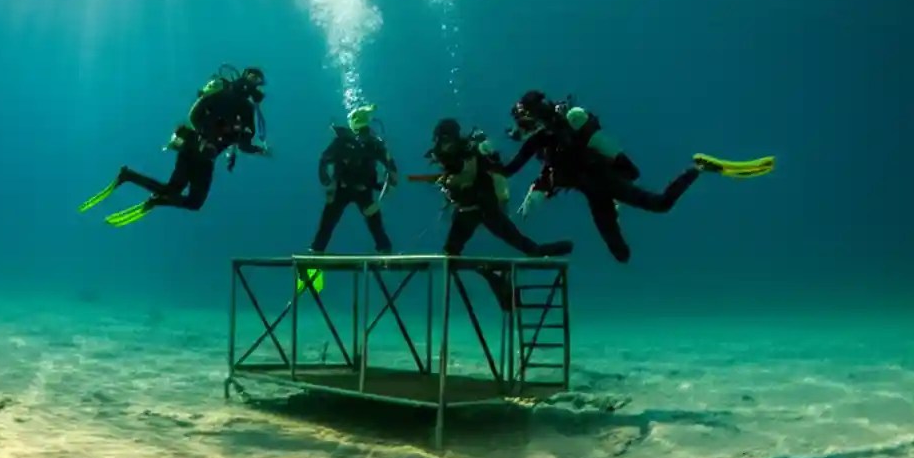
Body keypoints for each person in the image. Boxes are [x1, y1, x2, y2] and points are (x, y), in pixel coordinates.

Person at [501, 90, 774, 263]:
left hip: (604, 182)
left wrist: (538, 184)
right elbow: (520, 167)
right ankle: (697, 171)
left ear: (534, 117)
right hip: (597, 191)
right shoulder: (544, 140)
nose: (521, 129)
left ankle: (698, 169)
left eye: (524, 122)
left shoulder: (556, 133)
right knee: (621, 254)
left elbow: (534, 164)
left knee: (660, 205)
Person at [78, 65, 271, 226]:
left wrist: (259, 150)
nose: (253, 82)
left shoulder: (246, 110)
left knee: (180, 195)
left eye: (257, 80)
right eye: (252, 77)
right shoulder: (225, 93)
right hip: (195, 147)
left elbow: (243, 143)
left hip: (203, 154)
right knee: (189, 199)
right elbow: (195, 114)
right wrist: (205, 138)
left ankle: (130, 177)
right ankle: (149, 195)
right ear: (244, 76)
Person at [413, 118, 574, 309]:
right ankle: (493, 277)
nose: (443, 144)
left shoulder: (470, 152)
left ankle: (497, 277)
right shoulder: (455, 154)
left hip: (483, 207)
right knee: (452, 253)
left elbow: (470, 175)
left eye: (444, 139)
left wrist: (451, 184)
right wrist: (448, 184)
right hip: (470, 209)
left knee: (517, 243)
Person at [308, 104, 398, 254]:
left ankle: (318, 249)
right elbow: (390, 164)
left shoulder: (371, 143)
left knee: (333, 221)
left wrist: (326, 181)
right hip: (348, 188)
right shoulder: (353, 142)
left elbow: (323, 160)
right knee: (331, 220)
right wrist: (391, 184)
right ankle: (384, 248)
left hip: (355, 188)